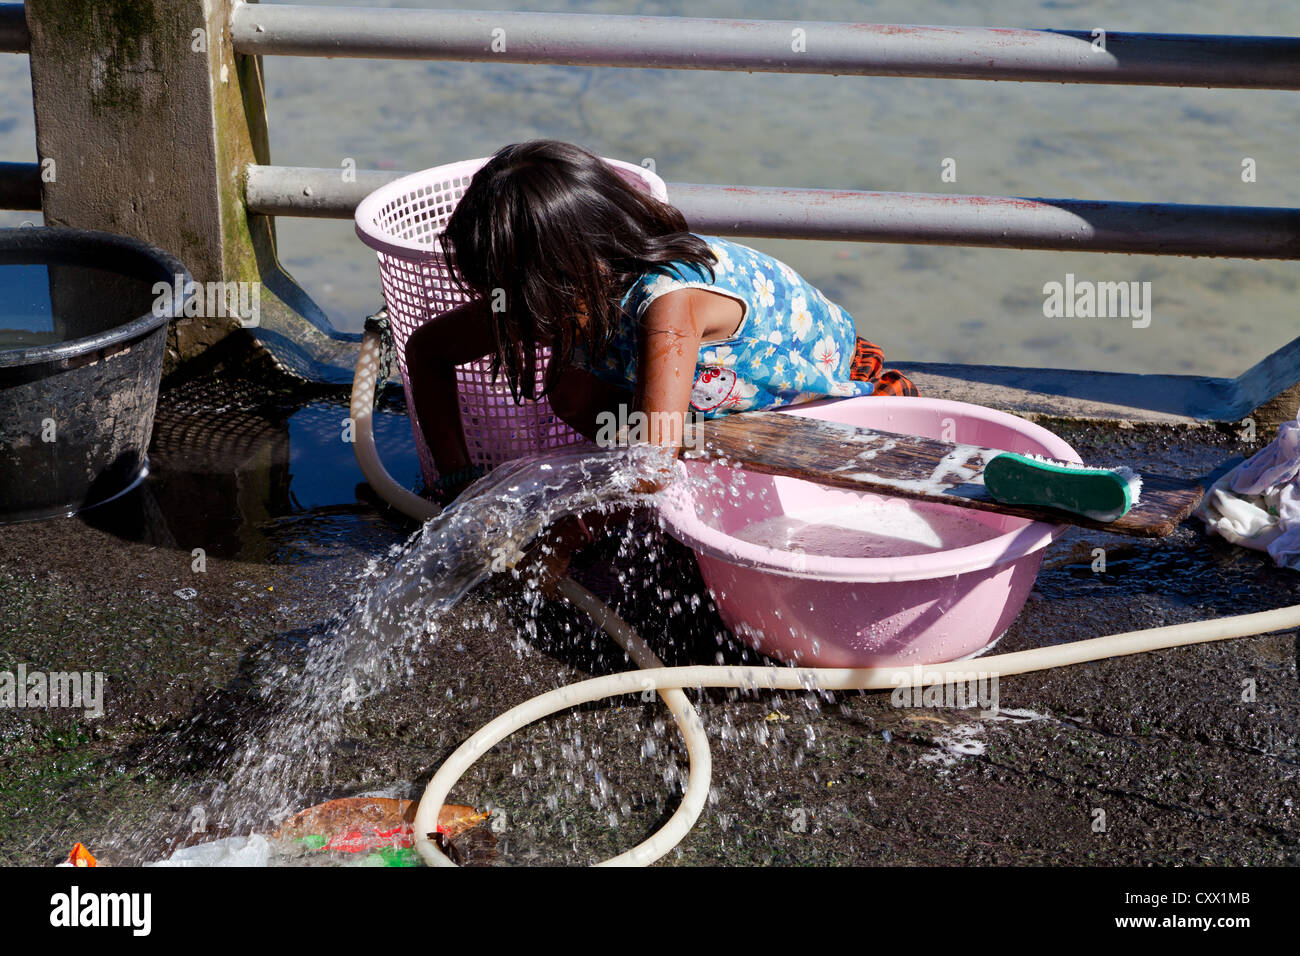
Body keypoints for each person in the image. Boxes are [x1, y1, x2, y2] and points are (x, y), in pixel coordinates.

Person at [404, 140, 917, 588]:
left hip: (811, 387)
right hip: (703, 389)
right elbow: (428, 351)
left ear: (568, 275)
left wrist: (565, 536)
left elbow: (650, 465)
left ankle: (670, 492)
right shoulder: (555, 289)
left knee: (655, 458)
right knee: (570, 391)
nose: (508, 313)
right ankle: (664, 472)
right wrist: (459, 487)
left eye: (519, 298)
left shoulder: (670, 303)